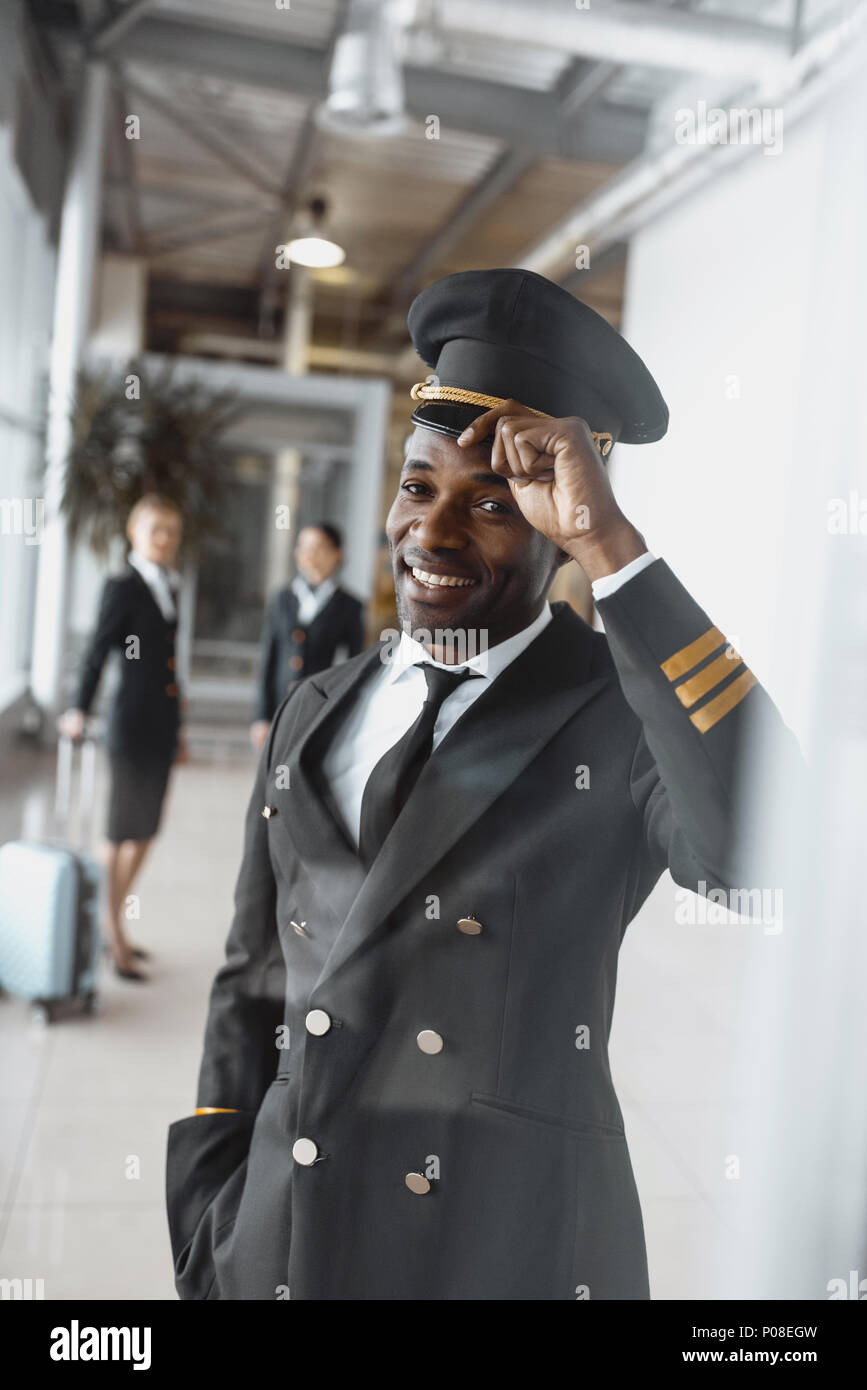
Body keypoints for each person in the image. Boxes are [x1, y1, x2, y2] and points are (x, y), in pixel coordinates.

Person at [166, 269, 799, 1300]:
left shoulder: (617, 716)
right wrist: (213, 1200)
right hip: (283, 1245)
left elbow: (763, 855)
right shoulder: (319, 705)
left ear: (557, 522)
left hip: (498, 1252)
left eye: (493, 503)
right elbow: (253, 981)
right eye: (420, 486)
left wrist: (616, 551)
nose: (436, 533)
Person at [59, 493, 188, 982]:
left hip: (160, 724)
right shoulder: (122, 586)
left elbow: (168, 665)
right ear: (134, 532)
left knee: (147, 829)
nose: (164, 540)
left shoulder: (168, 586)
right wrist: (77, 707)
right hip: (129, 725)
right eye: (156, 530)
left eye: (172, 532)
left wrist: (179, 726)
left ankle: (111, 923)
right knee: (120, 831)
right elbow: (97, 652)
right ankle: (111, 933)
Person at [250, 523, 364, 751]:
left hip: (321, 711)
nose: (308, 554)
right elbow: (268, 660)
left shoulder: (349, 606)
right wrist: (261, 716)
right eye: (303, 547)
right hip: (280, 710)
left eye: (318, 547)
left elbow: (356, 667)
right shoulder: (282, 599)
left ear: (337, 554)